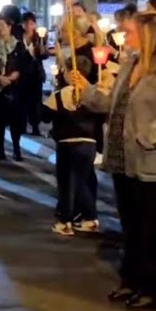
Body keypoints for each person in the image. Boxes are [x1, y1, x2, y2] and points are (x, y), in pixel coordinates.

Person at [75, 12, 156, 310]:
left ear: (150, 37)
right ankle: (132, 278)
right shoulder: (129, 65)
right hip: (123, 158)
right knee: (131, 224)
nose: (126, 37)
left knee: (154, 227)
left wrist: (153, 135)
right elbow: (112, 104)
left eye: (132, 32)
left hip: (151, 160)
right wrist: (85, 89)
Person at [46, 53, 103, 236]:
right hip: (89, 143)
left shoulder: (60, 95)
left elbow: (45, 115)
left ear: (72, 73)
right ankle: (90, 217)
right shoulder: (94, 94)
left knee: (66, 183)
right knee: (83, 181)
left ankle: (65, 220)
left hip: (67, 143)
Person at [0, 11, 31, 161]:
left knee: (15, 121)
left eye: (2, 26)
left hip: (15, 87)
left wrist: (13, 77)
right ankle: (0, 151)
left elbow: (24, 64)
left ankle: (17, 150)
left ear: (9, 27)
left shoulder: (18, 45)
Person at [20, 11, 48, 136]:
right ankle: (22, 125)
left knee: (36, 100)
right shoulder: (19, 38)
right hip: (22, 73)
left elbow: (44, 55)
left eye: (31, 23)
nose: (29, 26)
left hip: (35, 74)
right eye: (26, 23)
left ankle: (35, 126)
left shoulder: (39, 38)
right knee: (22, 100)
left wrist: (41, 46)